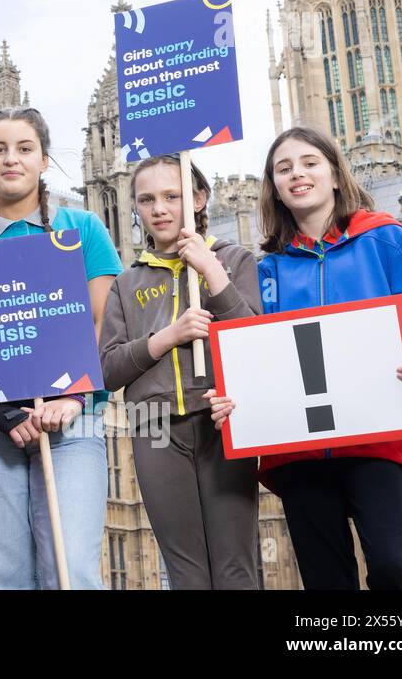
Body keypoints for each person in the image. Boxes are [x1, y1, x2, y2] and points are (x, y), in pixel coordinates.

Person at [208, 126, 402, 590]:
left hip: (376, 438)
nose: (297, 175)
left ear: (335, 174)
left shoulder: (386, 240)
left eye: (308, 163)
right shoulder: (269, 269)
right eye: (284, 169)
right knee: (325, 581)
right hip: (298, 449)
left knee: (389, 566)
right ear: (274, 187)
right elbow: (252, 356)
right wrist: (231, 400)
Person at [0, 106, 122, 590]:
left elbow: (104, 320)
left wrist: (73, 397)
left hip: (73, 421)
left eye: (24, 149)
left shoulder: (83, 231)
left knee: (71, 567)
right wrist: (2, 412)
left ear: (43, 160)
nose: (10, 160)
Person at [100, 154, 261, 589]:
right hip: (152, 424)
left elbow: (254, 340)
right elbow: (108, 370)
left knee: (234, 566)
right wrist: (166, 338)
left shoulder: (234, 259)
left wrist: (210, 271)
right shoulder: (126, 281)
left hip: (221, 418)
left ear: (200, 198)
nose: (159, 208)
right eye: (147, 199)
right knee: (185, 570)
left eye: (173, 196)